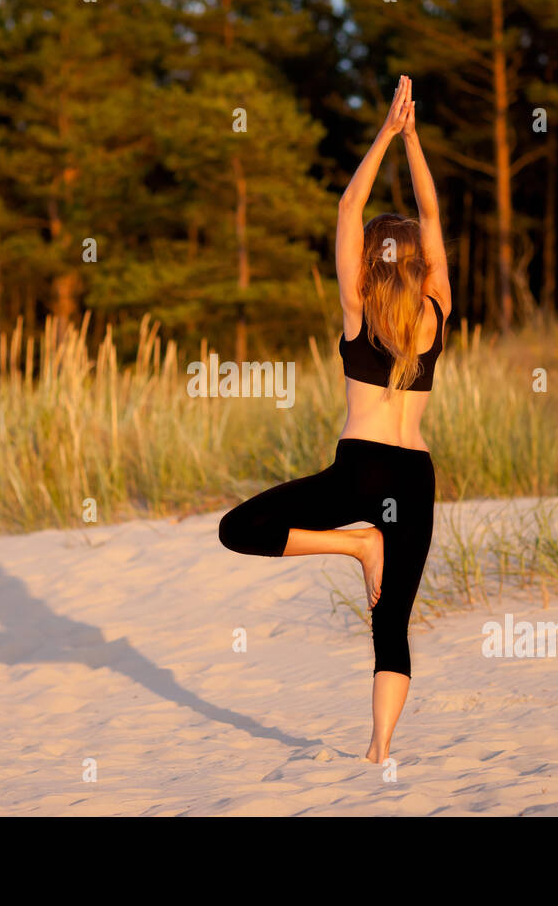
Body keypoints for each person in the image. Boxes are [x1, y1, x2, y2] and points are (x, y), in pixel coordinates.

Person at [218, 76, 450, 762]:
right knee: (392, 623)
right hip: (414, 476)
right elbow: (432, 219)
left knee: (240, 528)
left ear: (372, 266)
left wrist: (385, 132)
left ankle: (354, 546)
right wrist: (414, 142)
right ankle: (379, 749)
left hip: (358, 472)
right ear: (417, 266)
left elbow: (350, 207)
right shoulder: (435, 313)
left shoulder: (355, 310)